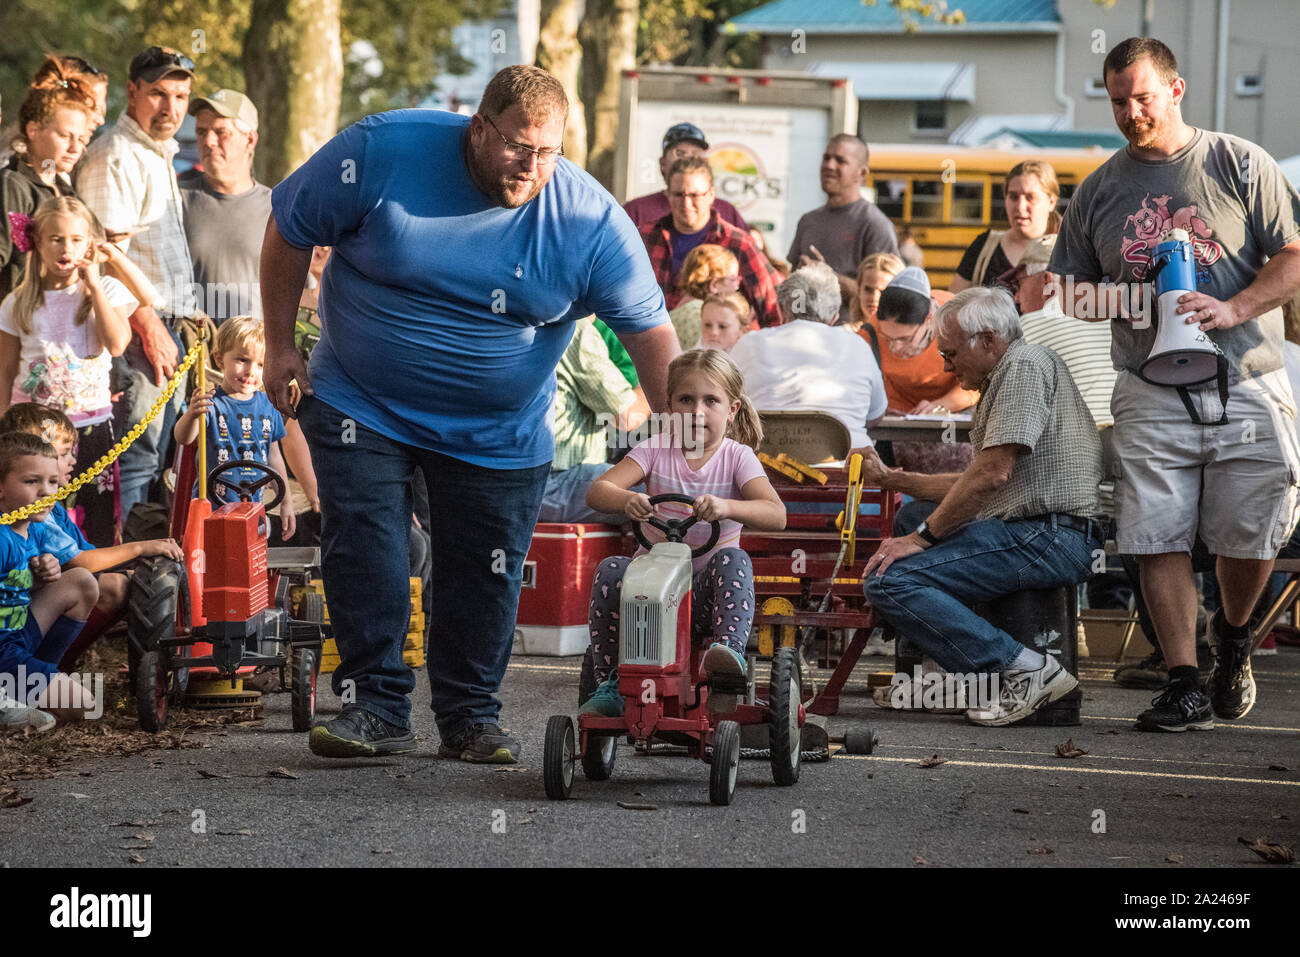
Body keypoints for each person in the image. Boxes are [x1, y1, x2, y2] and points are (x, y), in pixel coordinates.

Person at [261, 65, 680, 763]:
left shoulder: (587, 220)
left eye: (549, 152)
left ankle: (470, 715)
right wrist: (278, 346)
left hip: (498, 433)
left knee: (483, 570)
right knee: (370, 546)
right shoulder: (381, 151)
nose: (532, 166)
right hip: (363, 402)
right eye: (519, 146)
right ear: (479, 128)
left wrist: (681, 440)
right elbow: (288, 225)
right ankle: (377, 703)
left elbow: (652, 336)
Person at [1050, 37, 1300, 731]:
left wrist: (1234, 307)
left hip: (1247, 375)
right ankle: (1184, 679)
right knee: (1154, 531)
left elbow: (1294, 256)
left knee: (1252, 531)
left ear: (1177, 88)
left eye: (1143, 97)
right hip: (1148, 383)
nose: (1131, 112)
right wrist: (1130, 303)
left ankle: (1237, 633)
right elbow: (1069, 292)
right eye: (1118, 101)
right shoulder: (1099, 189)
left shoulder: (1238, 162)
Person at [857, 287, 1105, 727]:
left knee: (888, 580)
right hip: (1041, 529)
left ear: (988, 340)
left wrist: (921, 540)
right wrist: (896, 480)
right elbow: (974, 480)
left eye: (951, 354)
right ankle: (957, 674)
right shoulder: (1011, 370)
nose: (946, 367)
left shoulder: (1023, 367)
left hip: (1050, 536)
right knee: (912, 515)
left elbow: (991, 475)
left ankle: (1025, 669)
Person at [580, 349, 786, 716]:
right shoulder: (655, 449)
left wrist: (727, 506)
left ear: (732, 410)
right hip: (651, 596)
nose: (697, 411)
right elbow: (598, 492)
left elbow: (775, 514)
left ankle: (727, 658)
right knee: (611, 569)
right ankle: (611, 679)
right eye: (686, 400)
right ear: (670, 407)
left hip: (706, 596)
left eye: (711, 401)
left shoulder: (737, 457)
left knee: (732, 559)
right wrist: (628, 499)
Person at [76, 46, 198, 519]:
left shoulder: (155, 152)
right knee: (138, 455)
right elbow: (106, 259)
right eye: (158, 94)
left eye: (181, 96)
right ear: (132, 92)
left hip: (169, 325)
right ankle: (124, 577)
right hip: (138, 332)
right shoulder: (115, 155)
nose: (171, 108)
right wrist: (151, 328)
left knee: (161, 456)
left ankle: (147, 569)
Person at [0, 196, 145, 546]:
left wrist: (94, 285)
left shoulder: (104, 290)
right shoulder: (16, 302)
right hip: (34, 432)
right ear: (37, 242)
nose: (67, 248)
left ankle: (97, 585)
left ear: (90, 243)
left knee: (95, 515)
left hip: (89, 426)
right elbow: (5, 371)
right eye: (56, 239)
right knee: (36, 516)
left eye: (77, 239)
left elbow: (116, 344)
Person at [0, 403, 184, 670]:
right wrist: (139, 549)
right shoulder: (36, 516)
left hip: (32, 609)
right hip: (18, 625)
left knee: (122, 582)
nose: (74, 460)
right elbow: (82, 562)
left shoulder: (51, 509)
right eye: (64, 454)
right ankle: (51, 667)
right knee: (113, 587)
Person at [730, 261, 885, 448]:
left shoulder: (749, 344)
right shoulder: (858, 345)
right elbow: (875, 415)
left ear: (781, 311)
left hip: (760, 469)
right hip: (846, 469)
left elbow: (725, 408)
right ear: (835, 316)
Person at [0, 431, 99, 723]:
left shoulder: (37, 528)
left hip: (17, 637)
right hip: (3, 652)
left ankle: (33, 681)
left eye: (52, 482)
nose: (46, 491)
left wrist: (43, 576)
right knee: (85, 707)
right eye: (32, 481)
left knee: (81, 581)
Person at [172, 316, 295, 540]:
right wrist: (191, 415)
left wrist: (285, 501)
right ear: (220, 360)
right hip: (212, 509)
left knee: (252, 556)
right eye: (242, 360)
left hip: (253, 508)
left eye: (260, 364)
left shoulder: (269, 406)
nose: (251, 372)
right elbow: (183, 438)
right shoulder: (211, 403)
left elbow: (273, 456)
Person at [640, 156, 782, 328]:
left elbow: (774, 307)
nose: (686, 203)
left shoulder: (739, 244)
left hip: (724, 351)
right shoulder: (645, 238)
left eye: (695, 195)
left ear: (711, 195)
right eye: (679, 194)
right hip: (655, 345)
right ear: (668, 194)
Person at [0, 58, 98, 301]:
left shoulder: (64, 189)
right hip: (19, 327)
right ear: (33, 130)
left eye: (81, 139)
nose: (76, 148)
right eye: (65, 136)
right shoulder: (13, 184)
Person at [540, 316, 650, 525]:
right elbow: (626, 417)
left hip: (492, 475)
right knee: (663, 488)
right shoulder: (574, 328)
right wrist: (654, 383)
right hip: (551, 483)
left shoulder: (503, 319)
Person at [179, 89, 270, 325]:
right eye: (201, 131)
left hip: (251, 357)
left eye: (221, 132)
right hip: (188, 353)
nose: (208, 141)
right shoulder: (174, 199)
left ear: (250, 139)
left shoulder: (276, 210)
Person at [1007, 234, 1117, 430]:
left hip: (1078, 442)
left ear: (1046, 280)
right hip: (1127, 433)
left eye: (1019, 284)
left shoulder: (1030, 325)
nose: (1016, 297)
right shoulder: (1113, 315)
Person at [786, 135, 899, 321]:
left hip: (851, 339)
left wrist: (825, 277)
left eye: (840, 161)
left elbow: (888, 296)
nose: (829, 165)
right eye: (826, 158)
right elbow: (791, 286)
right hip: (804, 335)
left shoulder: (874, 224)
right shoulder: (808, 220)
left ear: (861, 173)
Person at [951, 160, 1060, 294]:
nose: (1020, 207)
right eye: (1013, 197)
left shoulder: (1068, 252)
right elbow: (953, 303)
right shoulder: (984, 247)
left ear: (1051, 202)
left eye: (1030, 197)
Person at [623, 123, 747, 231]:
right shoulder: (636, 211)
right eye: (679, 153)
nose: (687, 159)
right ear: (662, 163)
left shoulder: (727, 212)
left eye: (695, 154)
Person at [667, 243, 740, 349]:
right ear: (714, 284)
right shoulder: (704, 315)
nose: (737, 286)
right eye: (733, 279)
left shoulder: (682, 308)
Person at [846, 251, 904, 334]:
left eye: (883, 292)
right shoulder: (845, 335)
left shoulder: (910, 342)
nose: (874, 298)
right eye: (868, 289)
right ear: (859, 290)